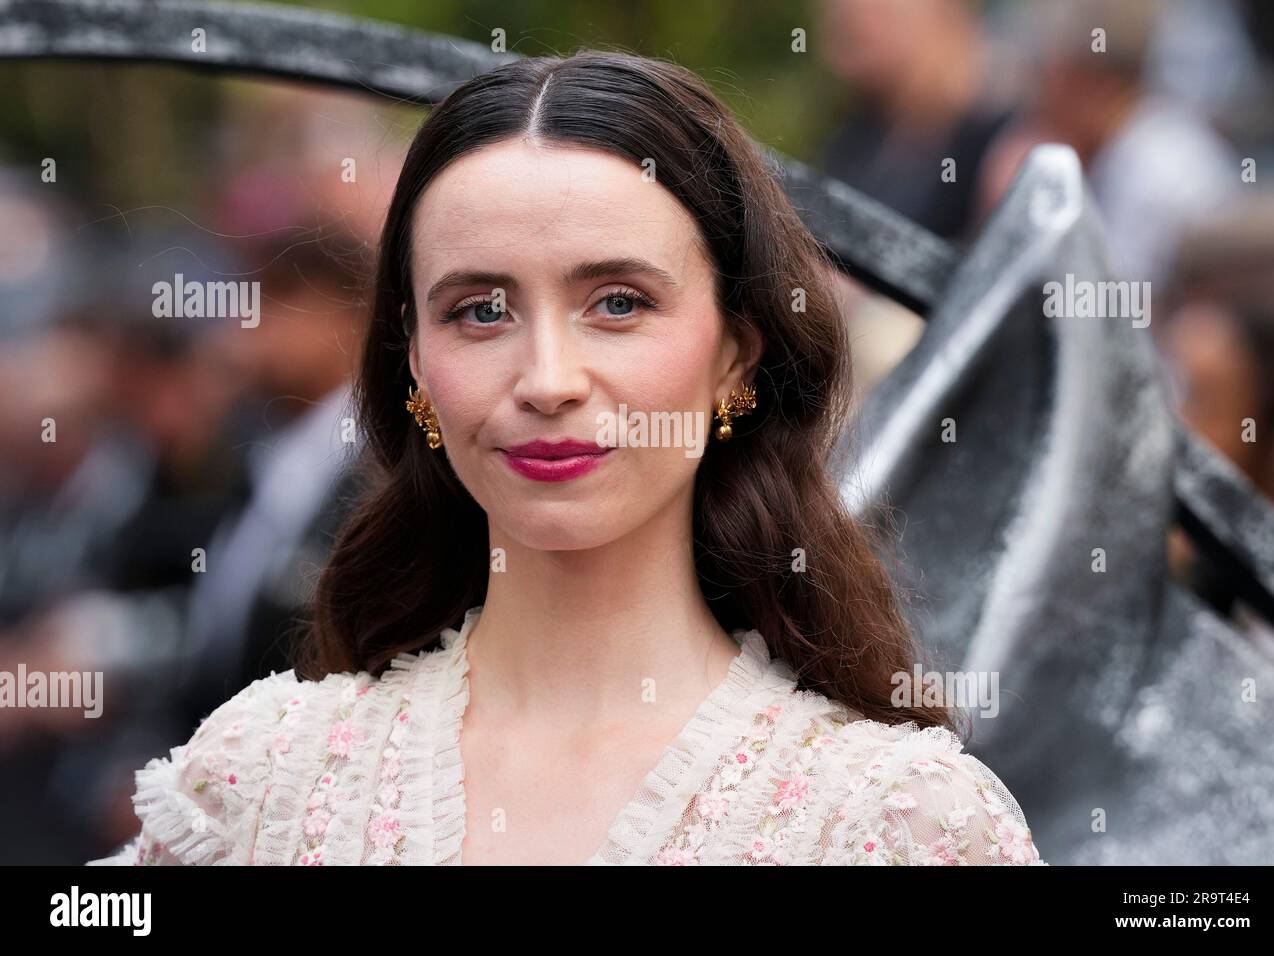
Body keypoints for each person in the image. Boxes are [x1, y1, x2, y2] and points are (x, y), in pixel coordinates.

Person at [87, 49, 1044, 866]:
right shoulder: (259, 784)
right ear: (414, 364)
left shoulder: (897, 821)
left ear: (735, 356)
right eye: (480, 311)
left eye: (619, 302)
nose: (548, 378)